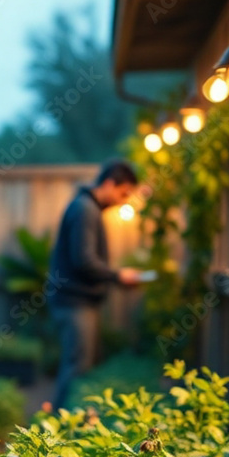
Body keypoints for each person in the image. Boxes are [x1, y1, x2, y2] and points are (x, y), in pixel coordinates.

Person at [47, 158, 141, 411]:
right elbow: (84, 260)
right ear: (109, 184)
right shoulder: (85, 210)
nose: (124, 200)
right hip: (74, 302)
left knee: (79, 365)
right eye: (124, 193)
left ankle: (64, 425)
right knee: (77, 367)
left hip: (76, 301)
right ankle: (55, 430)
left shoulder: (86, 208)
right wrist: (118, 276)